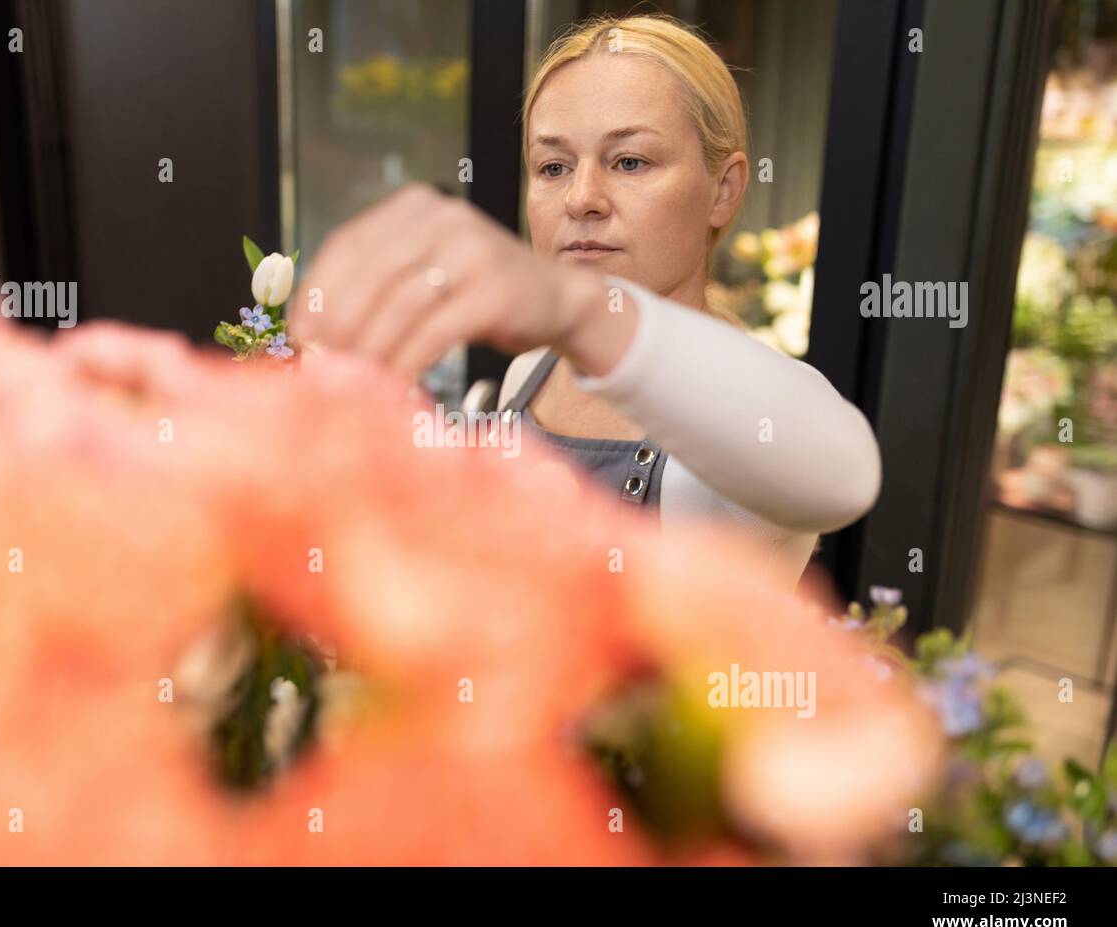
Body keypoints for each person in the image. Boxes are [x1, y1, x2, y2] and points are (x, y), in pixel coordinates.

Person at [290, 14, 881, 585]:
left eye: (629, 161)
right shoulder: (528, 378)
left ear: (722, 190)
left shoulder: (746, 408)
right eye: (553, 166)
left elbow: (844, 473)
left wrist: (576, 308)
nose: (582, 198)